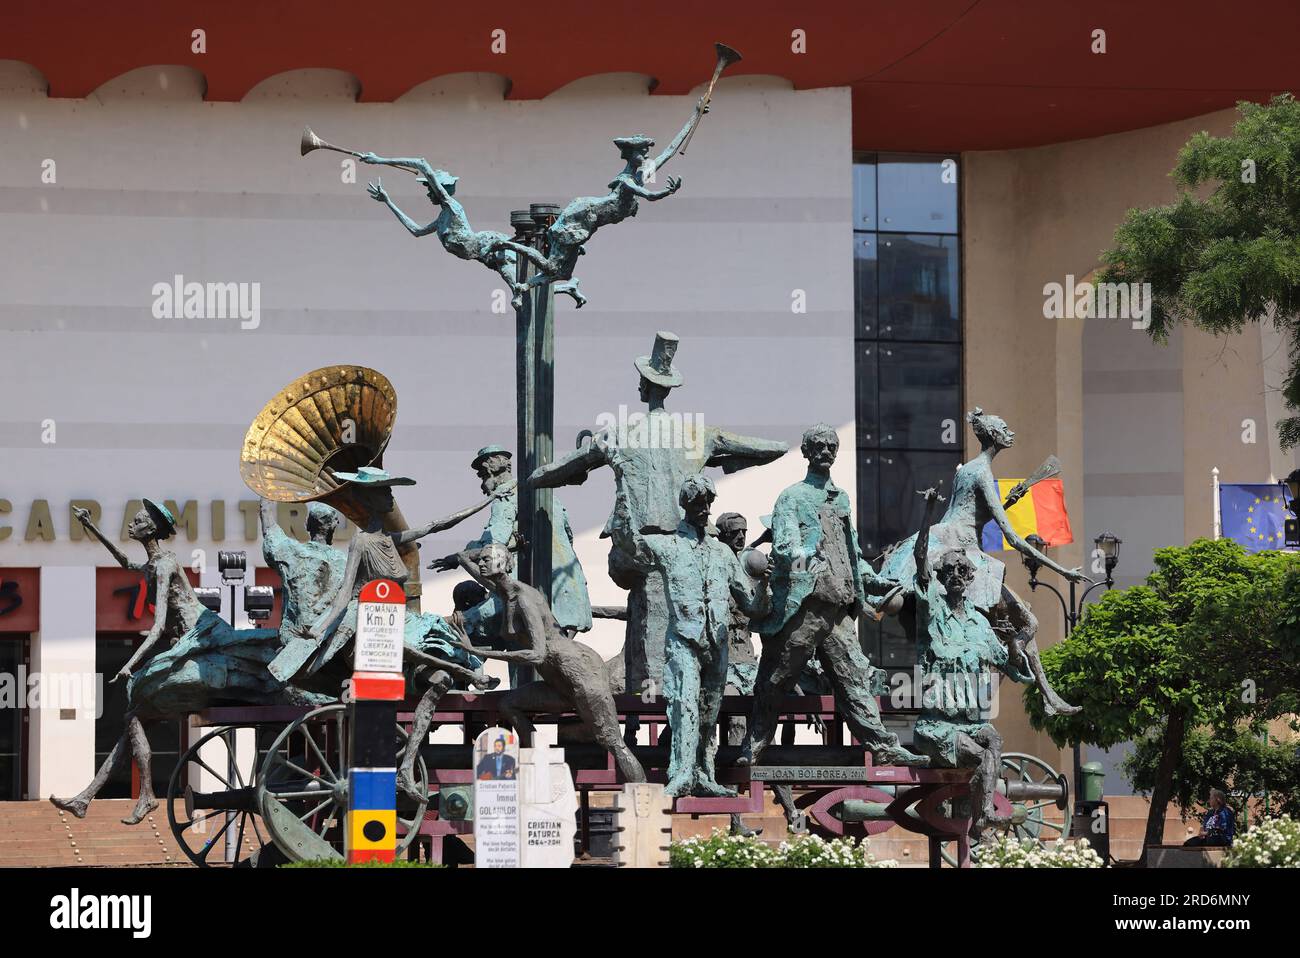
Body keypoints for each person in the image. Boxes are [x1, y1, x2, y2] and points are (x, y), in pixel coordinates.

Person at [529, 331, 787, 694]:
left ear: (642, 386)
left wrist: (545, 477)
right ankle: (671, 696)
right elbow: (772, 449)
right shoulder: (698, 435)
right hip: (688, 549)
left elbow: (551, 472)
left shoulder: (620, 434)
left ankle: (654, 697)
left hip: (639, 550)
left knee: (649, 625)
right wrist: (718, 459)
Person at [879, 407, 1087, 716]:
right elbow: (1014, 539)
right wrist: (1062, 570)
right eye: (1004, 428)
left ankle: (1047, 694)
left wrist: (1005, 503)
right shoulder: (982, 472)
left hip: (944, 535)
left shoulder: (966, 469)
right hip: (963, 549)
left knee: (1024, 620)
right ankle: (1032, 675)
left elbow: (968, 512)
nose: (1010, 432)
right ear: (993, 436)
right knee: (1029, 622)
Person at [741, 424, 926, 769]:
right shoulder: (792, 498)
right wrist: (809, 551)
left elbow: (852, 550)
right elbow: (783, 549)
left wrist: (872, 580)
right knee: (775, 678)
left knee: (854, 679)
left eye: (832, 446)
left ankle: (882, 745)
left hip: (839, 607)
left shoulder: (841, 498)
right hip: (805, 607)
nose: (827, 451)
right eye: (820, 446)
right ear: (808, 452)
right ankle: (753, 745)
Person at [608, 466, 771, 798]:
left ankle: (705, 774)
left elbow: (753, 607)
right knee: (684, 704)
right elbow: (631, 546)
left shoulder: (724, 553)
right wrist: (622, 499)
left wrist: (766, 582)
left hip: (718, 642)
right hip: (684, 639)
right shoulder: (669, 546)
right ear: (686, 506)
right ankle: (682, 773)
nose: (705, 509)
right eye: (699, 503)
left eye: (708, 502)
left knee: (711, 708)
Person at [451, 543, 646, 784]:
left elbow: (537, 655)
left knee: (612, 742)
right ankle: (540, 762)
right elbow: (462, 555)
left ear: (502, 564)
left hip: (578, 671)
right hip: (556, 680)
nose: (480, 563)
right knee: (509, 704)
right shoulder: (504, 592)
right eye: (481, 559)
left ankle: (643, 800)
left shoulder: (524, 599)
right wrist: (500, 549)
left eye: (487, 559)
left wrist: (474, 650)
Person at [486, 99, 708, 301]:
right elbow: (649, 196)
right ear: (632, 155)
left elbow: (668, 152)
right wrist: (668, 192)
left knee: (562, 273)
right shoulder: (626, 181)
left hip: (590, 223)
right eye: (642, 151)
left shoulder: (640, 176)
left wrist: (695, 116)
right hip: (583, 216)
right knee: (551, 265)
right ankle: (508, 245)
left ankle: (523, 288)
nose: (647, 155)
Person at [910, 486, 1035, 842]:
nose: (956, 577)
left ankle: (978, 816)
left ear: (969, 579)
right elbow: (921, 561)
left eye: (962, 573)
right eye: (949, 572)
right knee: (981, 757)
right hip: (937, 727)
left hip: (972, 722)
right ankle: (982, 817)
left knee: (993, 739)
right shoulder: (932, 612)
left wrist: (1015, 646)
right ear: (941, 577)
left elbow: (1017, 673)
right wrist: (927, 514)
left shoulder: (981, 624)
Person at [429, 444, 592, 688]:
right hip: (570, 596)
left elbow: (494, 545)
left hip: (525, 597)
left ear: (493, 473)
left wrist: (458, 556)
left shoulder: (505, 496)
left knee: (452, 628)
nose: (483, 486)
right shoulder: (549, 498)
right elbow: (567, 538)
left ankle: (467, 684)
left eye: (483, 477)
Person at [359, 156, 583, 308]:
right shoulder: (441, 220)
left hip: (491, 246)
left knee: (520, 285)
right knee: (523, 285)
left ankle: (562, 273)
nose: (428, 193)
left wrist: (379, 160)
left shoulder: (453, 208)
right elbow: (415, 231)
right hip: (483, 256)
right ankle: (567, 287)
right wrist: (388, 201)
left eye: (429, 189)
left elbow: (421, 163)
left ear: (440, 190)